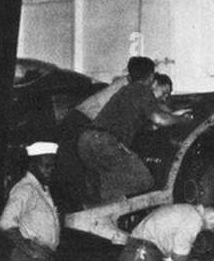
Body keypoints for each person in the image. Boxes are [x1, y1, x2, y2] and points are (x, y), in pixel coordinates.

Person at [77, 58, 191, 202]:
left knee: (112, 181)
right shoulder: (142, 90)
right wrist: (183, 119)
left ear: (130, 76)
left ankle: (95, 199)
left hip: (86, 140)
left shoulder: (126, 91)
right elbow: (159, 119)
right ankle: (99, 190)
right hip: (104, 142)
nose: (164, 98)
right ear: (151, 77)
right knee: (144, 179)